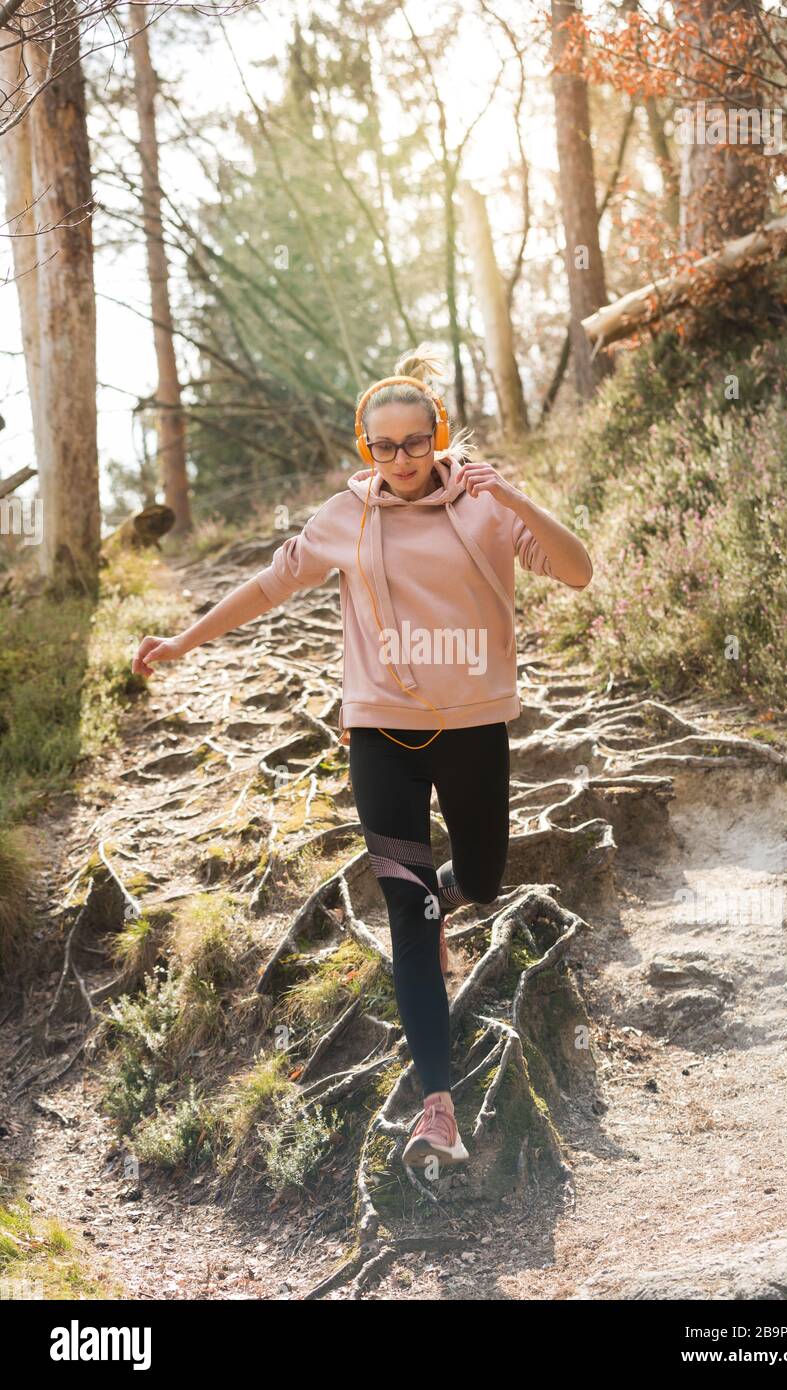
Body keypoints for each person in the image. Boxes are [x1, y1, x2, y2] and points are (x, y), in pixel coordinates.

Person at [132, 342, 593, 1172]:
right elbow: (270, 584)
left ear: (439, 433)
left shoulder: (486, 505)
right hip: (380, 734)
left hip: (475, 727)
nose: (403, 460)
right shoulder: (345, 516)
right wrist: (186, 640)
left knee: (482, 879)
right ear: (365, 448)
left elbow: (578, 571)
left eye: (418, 441)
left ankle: (449, 901)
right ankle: (439, 1108)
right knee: (410, 914)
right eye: (385, 446)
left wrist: (515, 494)